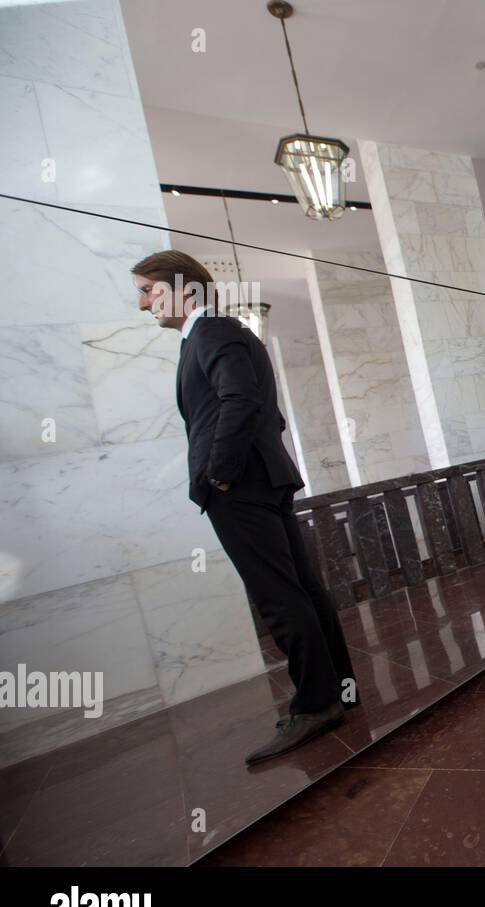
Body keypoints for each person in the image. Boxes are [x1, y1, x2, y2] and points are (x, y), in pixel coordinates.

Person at [130, 251, 356, 765]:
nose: (143, 303)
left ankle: (316, 704)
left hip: (240, 485)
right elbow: (265, 411)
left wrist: (220, 472)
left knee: (278, 596)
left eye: (148, 290)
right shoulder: (220, 333)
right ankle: (338, 690)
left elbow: (241, 402)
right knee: (301, 588)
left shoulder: (210, 331)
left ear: (183, 289)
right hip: (259, 477)